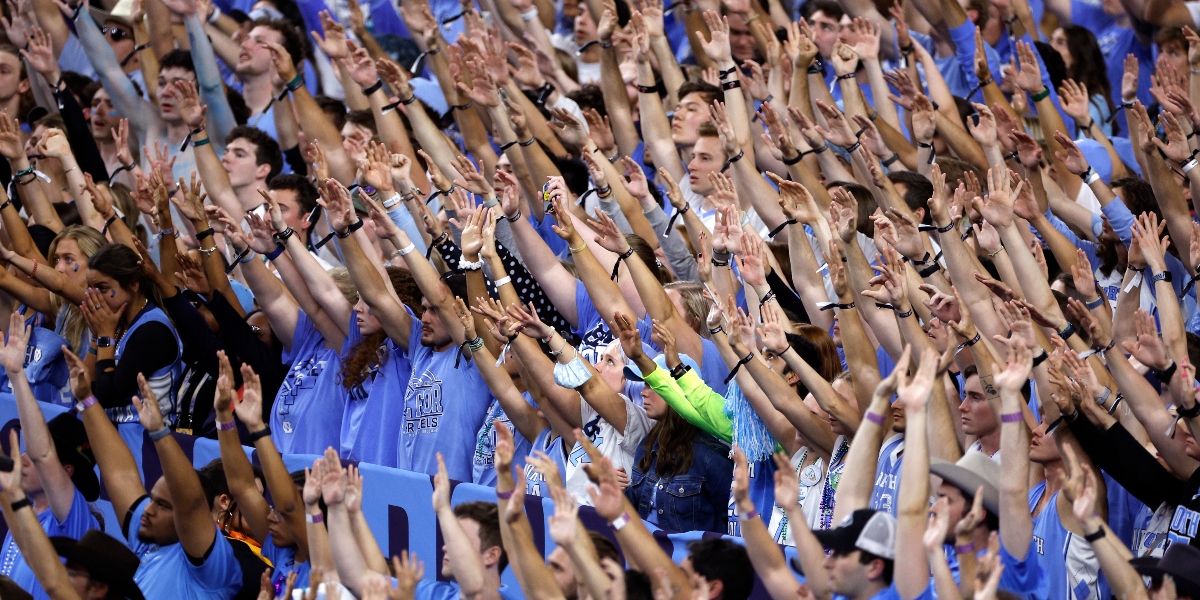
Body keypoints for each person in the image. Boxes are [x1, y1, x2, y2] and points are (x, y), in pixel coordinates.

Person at [0, 312, 100, 600]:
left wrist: (17, 376)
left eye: (33, 454)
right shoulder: (25, 513)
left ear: (66, 471)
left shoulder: (72, 521)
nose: (24, 457)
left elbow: (42, 454)